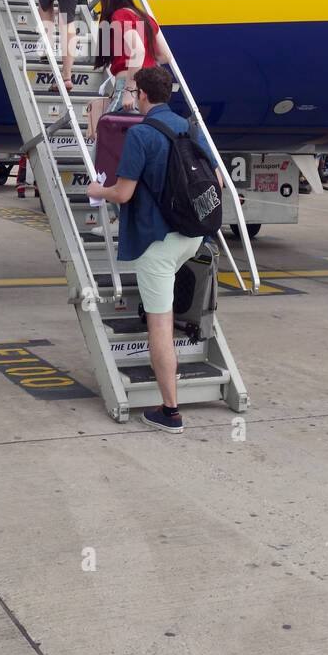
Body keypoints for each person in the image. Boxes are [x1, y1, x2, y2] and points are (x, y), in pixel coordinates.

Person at [87, 66, 222, 433]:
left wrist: (97, 191)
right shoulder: (190, 128)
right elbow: (218, 179)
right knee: (158, 307)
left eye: (133, 92)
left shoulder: (142, 134)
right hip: (192, 236)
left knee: (159, 326)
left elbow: (123, 193)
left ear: (142, 95)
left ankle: (170, 411)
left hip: (156, 245)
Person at [86, 0, 172, 141]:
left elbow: (137, 50)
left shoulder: (120, 15)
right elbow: (165, 56)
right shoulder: (146, 18)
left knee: (104, 143)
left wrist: (129, 90)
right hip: (149, 92)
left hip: (129, 86)